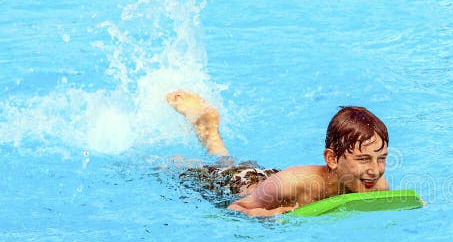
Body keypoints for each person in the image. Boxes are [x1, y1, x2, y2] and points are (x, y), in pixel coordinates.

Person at [166, 90, 389, 216]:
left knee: (227, 160)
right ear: (331, 159)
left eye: (381, 158)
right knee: (186, 170)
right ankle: (196, 139)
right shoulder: (292, 184)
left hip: (269, 177)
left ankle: (210, 130)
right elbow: (236, 208)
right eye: (363, 159)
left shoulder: (375, 185)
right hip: (240, 186)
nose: (374, 170)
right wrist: (271, 214)